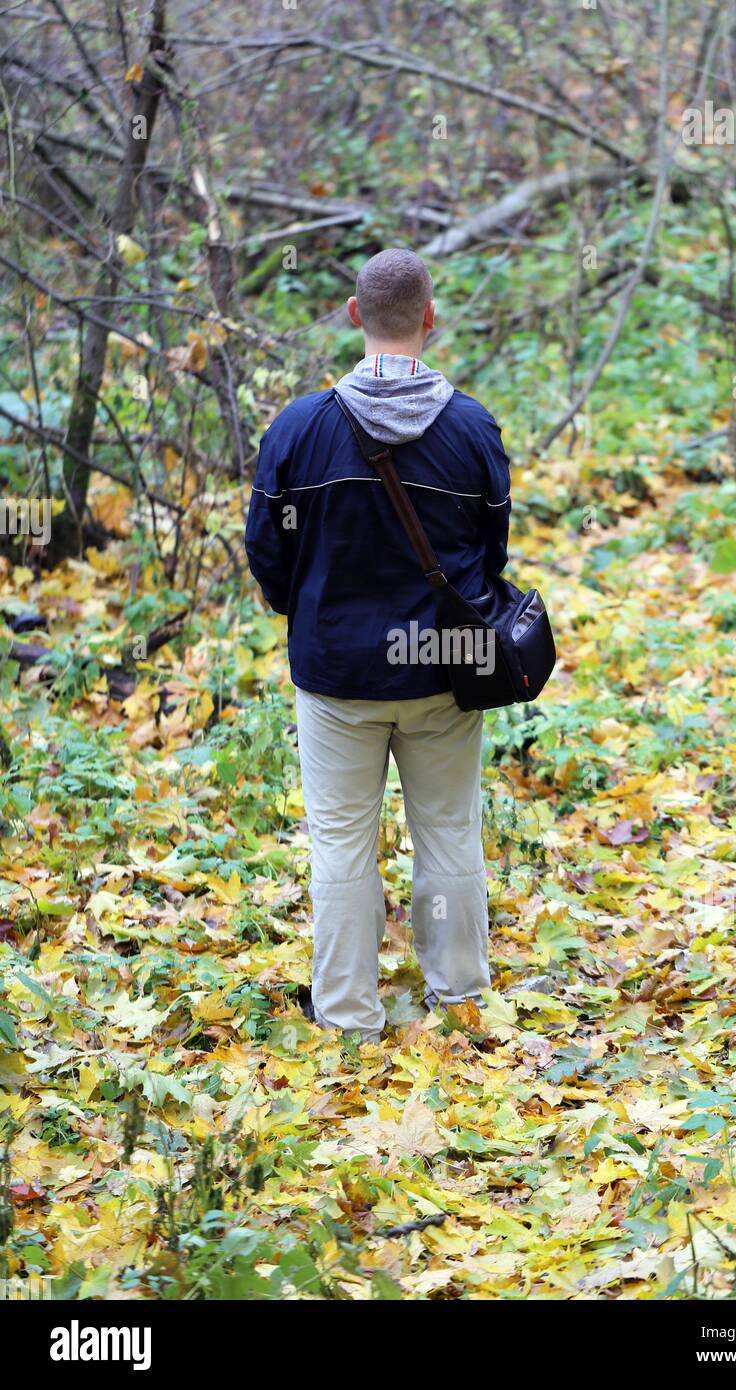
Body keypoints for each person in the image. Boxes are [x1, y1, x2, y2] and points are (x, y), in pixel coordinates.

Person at [245, 247, 511, 1042]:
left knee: (339, 845)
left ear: (355, 316)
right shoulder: (471, 429)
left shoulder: (299, 428)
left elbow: (268, 548)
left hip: (335, 676)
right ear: (430, 319)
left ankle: (350, 1017)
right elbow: (488, 553)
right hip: (442, 674)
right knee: (449, 834)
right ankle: (459, 998)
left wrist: (309, 611)